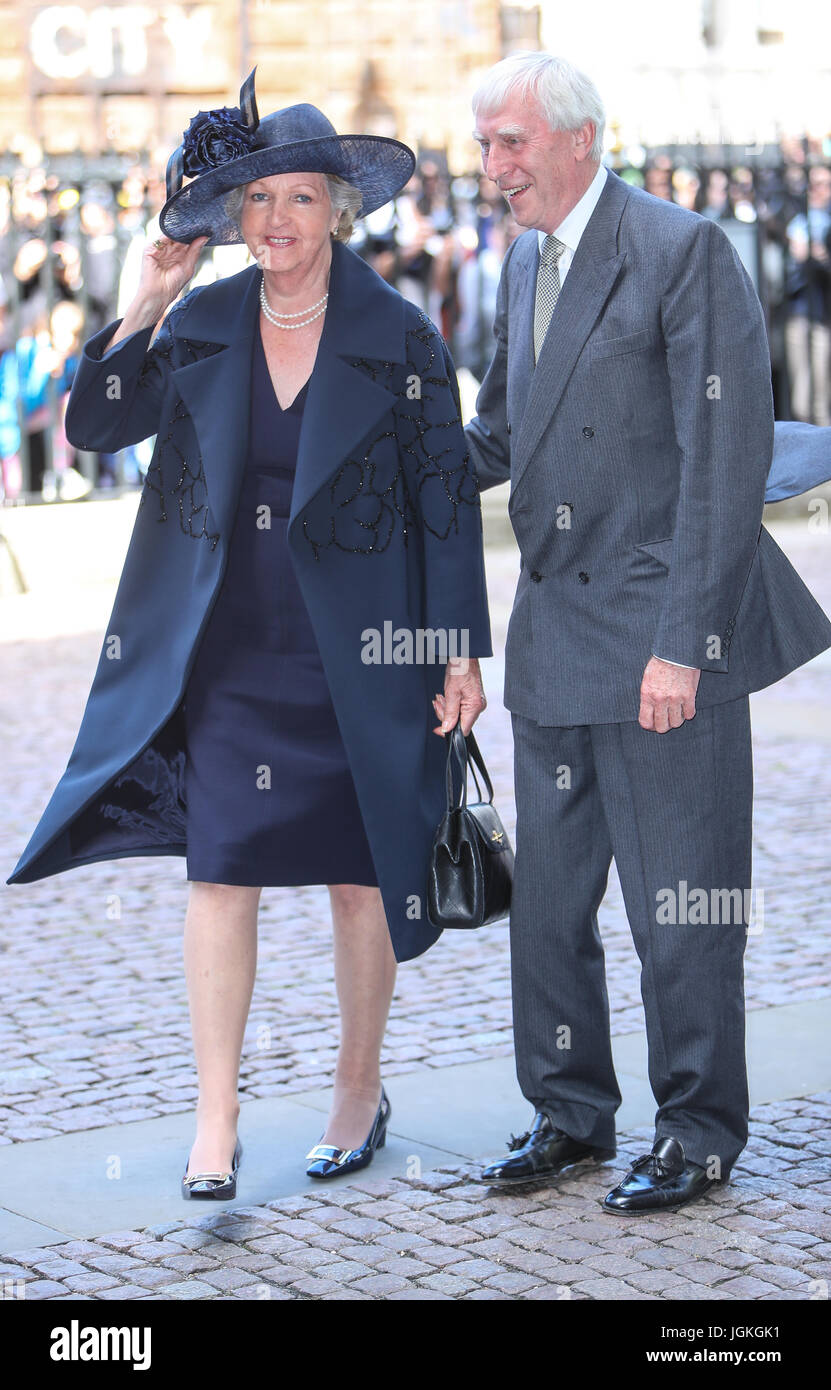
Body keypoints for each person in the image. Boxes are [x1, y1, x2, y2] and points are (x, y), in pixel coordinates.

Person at [7, 68, 491, 1199]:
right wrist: (146, 299)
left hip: (364, 655)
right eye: (256, 201)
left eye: (300, 199)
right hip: (225, 650)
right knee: (219, 876)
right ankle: (214, 1122)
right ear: (232, 218)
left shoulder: (403, 335)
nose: (276, 221)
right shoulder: (208, 320)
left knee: (360, 879)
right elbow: (93, 425)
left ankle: (356, 1090)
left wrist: (460, 648)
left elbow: (444, 499)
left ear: (338, 208)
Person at [458, 52, 831, 1215]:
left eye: (510, 142)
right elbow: (497, 440)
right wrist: (371, 435)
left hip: (667, 640)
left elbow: (726, 466)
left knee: (685, 908)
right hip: (557, 640)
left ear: (578, 137)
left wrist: (687, 647)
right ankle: (571, 1114)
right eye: (483, 145)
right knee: (554, 912)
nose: (493, 166)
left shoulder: (682, 250)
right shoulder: (523, 267)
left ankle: (699, 1130)